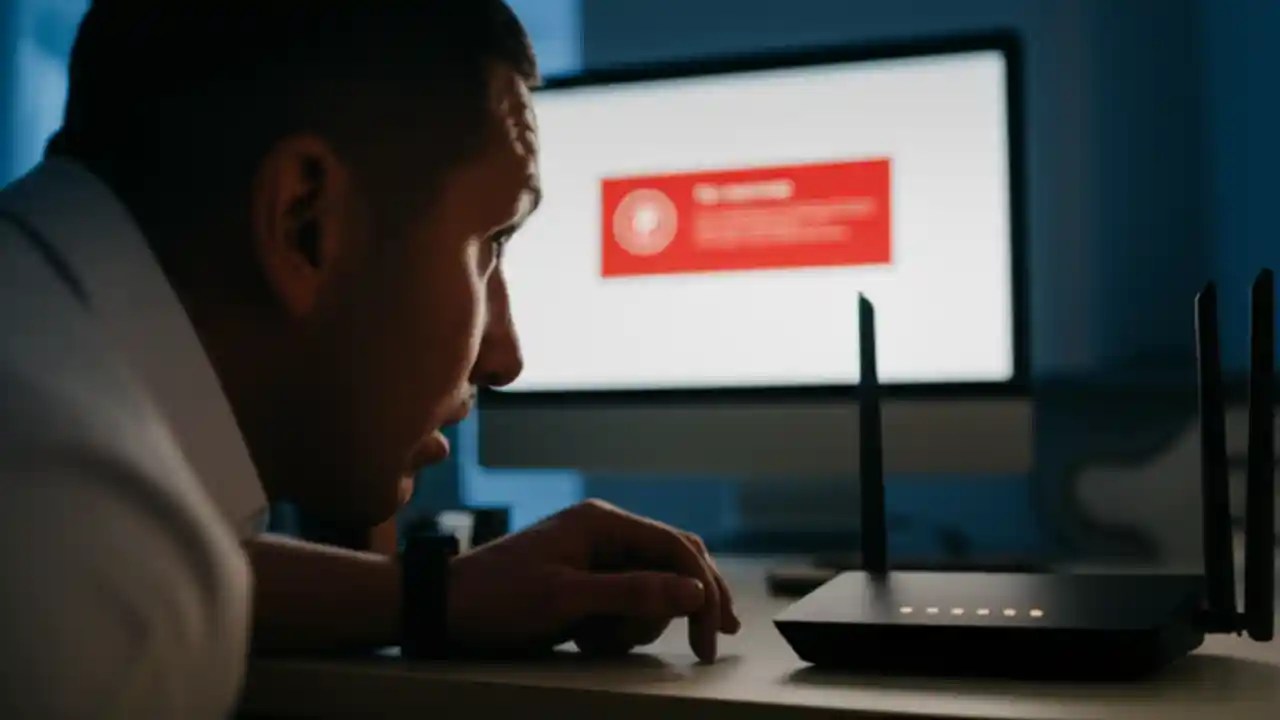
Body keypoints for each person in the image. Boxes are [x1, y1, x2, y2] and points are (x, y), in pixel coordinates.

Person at [0, 2, 739, 717]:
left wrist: (432, 597)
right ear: (306, 222)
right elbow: (129, 570)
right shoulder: (93, 564)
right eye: (489, 244)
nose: (505, 358)